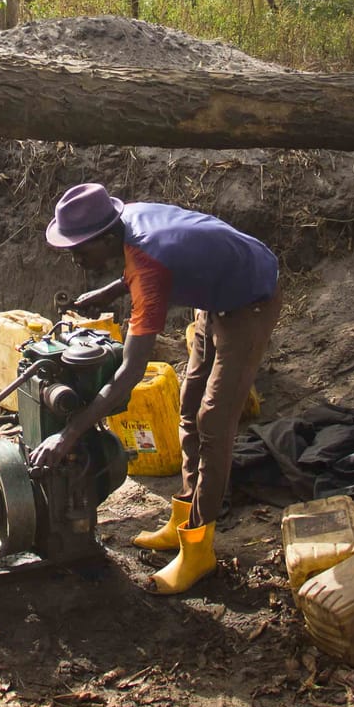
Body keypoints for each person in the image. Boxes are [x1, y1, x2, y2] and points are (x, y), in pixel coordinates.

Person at [28, 183, 282, 596]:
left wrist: (68, 434)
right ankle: (182, 518)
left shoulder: (148, 266)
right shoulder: (126, 223)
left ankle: (199, 550)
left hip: (250, 299)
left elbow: (129, 372)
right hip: (213, 296)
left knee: (214, 423)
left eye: (80, 248)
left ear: (108, 236)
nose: (74, 258)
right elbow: (152, 263)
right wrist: (109, 291)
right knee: (187, 409)